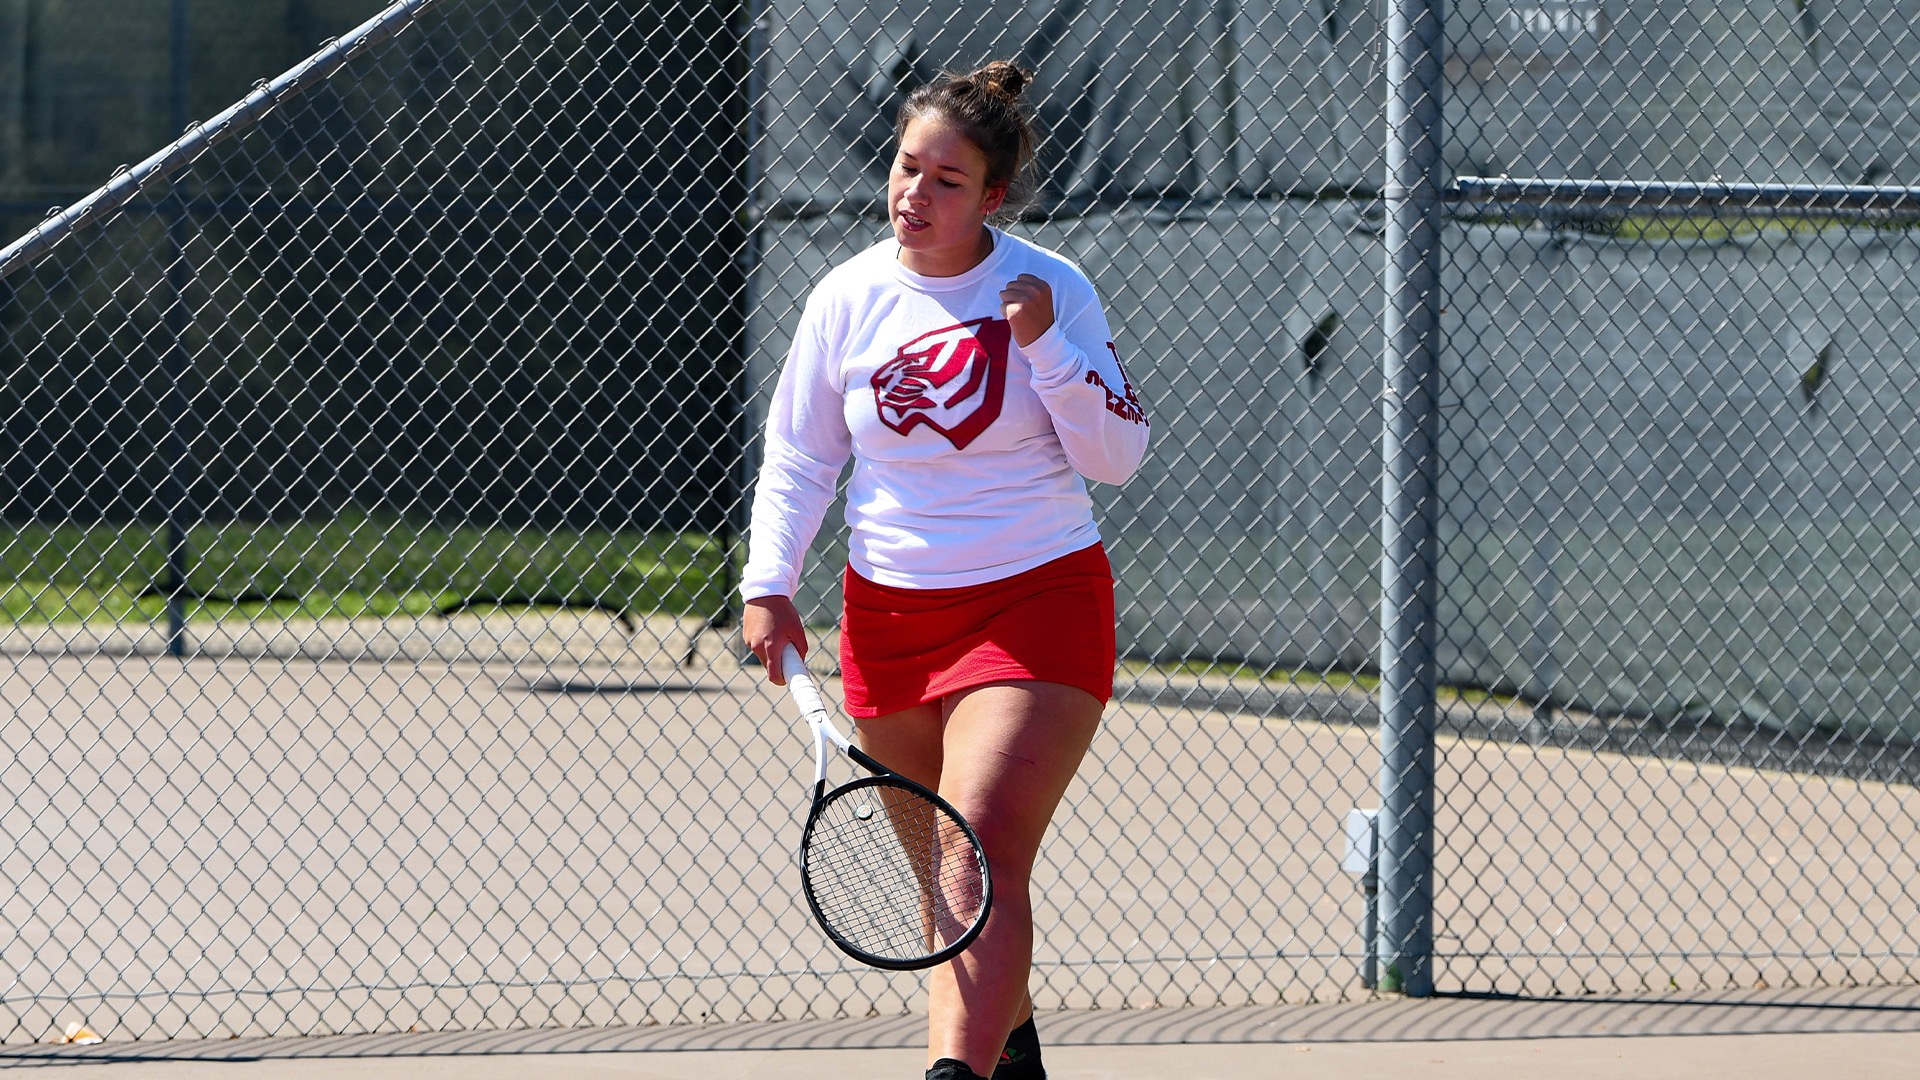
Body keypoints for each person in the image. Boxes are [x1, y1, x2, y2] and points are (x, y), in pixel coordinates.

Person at [739, 58, 1149, 1080]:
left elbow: (1119, 457)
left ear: (994, 197)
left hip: (1035, 606)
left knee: (978, 857)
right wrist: (768, 581)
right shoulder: (846, 296)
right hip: (888, 622)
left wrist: (1046, 351)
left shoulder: (1052, 287)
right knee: (948, 887)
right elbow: (801, 455)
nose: (913, 196)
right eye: (905, 168)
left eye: (946, 181)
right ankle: (1014, 1064)